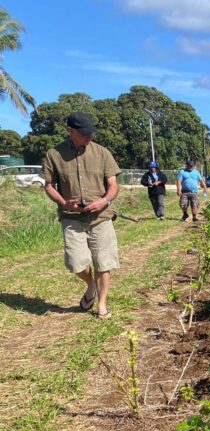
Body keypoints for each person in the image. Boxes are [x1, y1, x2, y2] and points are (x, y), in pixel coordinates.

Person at [42, 111, 120, 319]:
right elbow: (49, 185)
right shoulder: (54, 154)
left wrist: (105, 200)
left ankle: (102, 304)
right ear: (71, 131)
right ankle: (90, 285)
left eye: (91, 132)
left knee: (104, 262)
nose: (90, 137)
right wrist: (62, 202)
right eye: (84, 133)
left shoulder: (102, 152)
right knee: (76, 262)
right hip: (71, 216)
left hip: (100, 216)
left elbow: (113, 184)